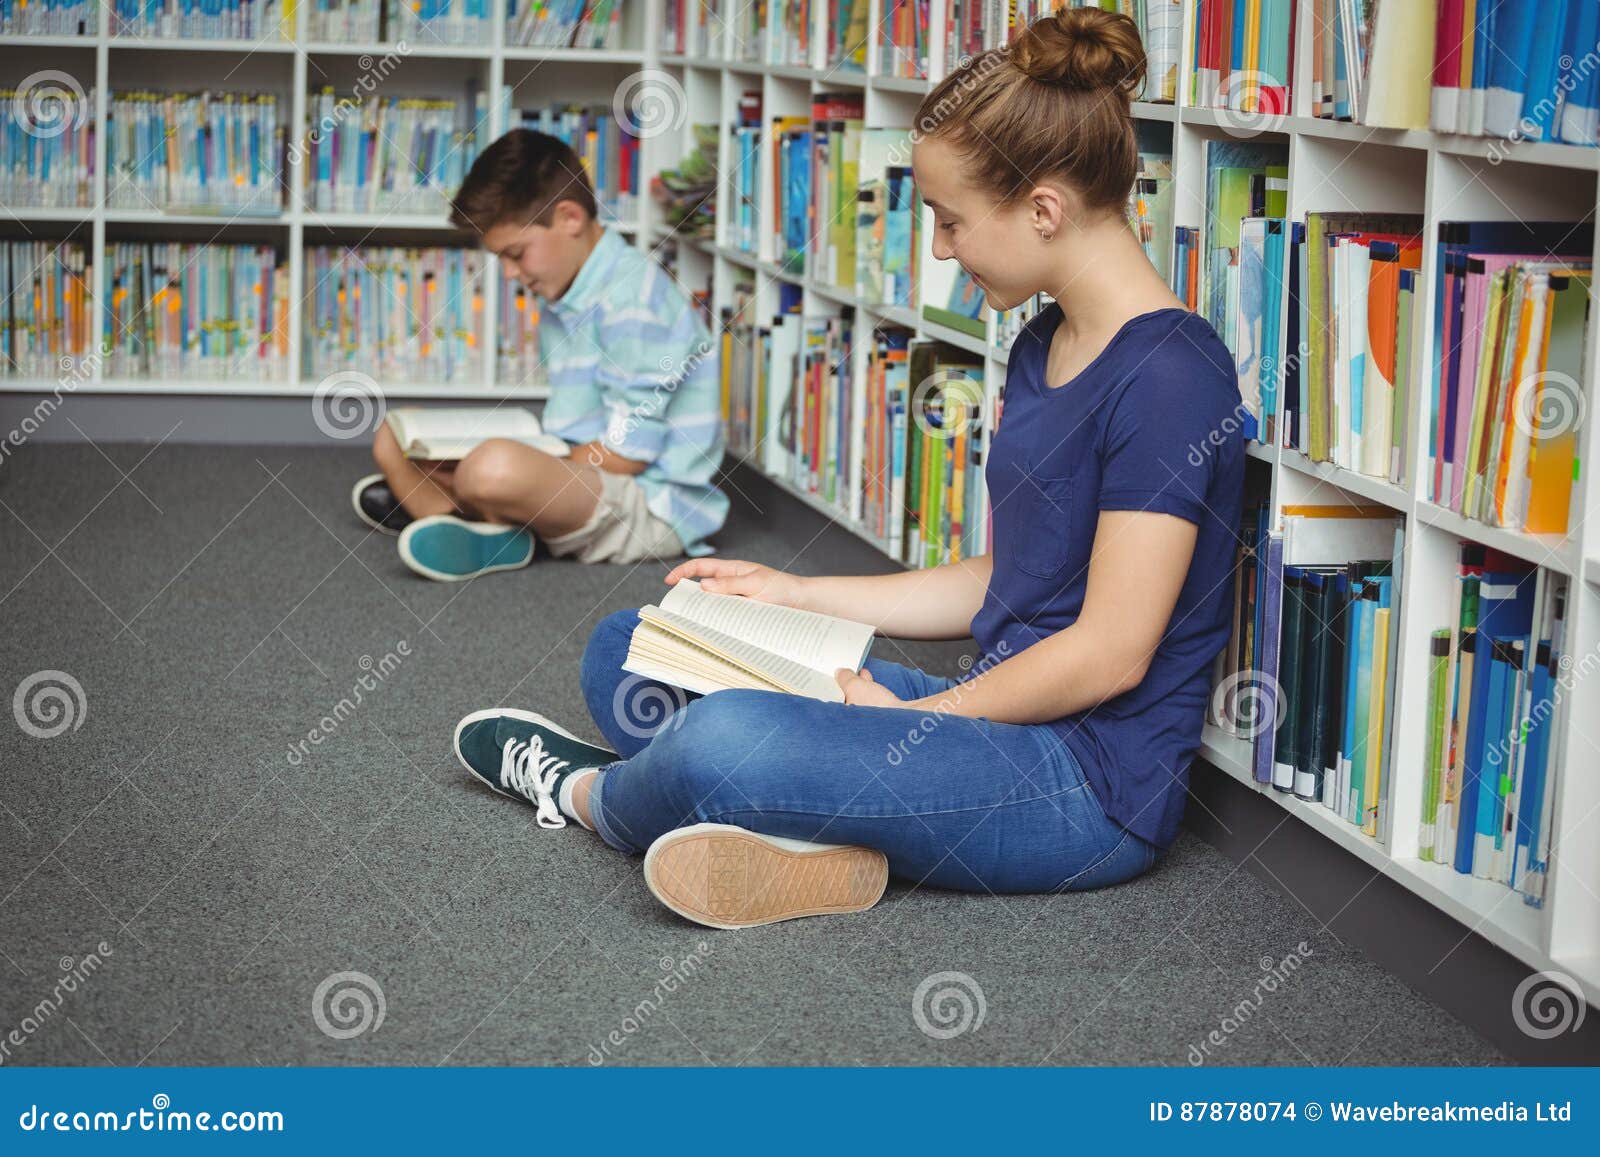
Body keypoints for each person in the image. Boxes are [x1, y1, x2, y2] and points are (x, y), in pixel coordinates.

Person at [451, 7, 1246, 928]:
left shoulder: (1172, 378)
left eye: (950, 221)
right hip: (979, 715)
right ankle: (814, 829)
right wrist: (794, 595)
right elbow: (1007, 576)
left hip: (1081, 783)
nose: (941, 248)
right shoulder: (1043, 343)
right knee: (631, 646)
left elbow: (1111, 651)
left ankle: (595, 796)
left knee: (722, 739)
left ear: (1043, 209)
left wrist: (917, 720)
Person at [351, 129, 730, 580]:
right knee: (393, 435)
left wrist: (518, 463)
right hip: (582, 469)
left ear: (569, 217)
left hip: (648, 504)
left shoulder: (635, 301)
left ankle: (466, 513)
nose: (510, 273)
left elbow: (628, 455)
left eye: (516, 254)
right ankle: (470, 523)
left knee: (491, 468)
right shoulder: (569, 294)